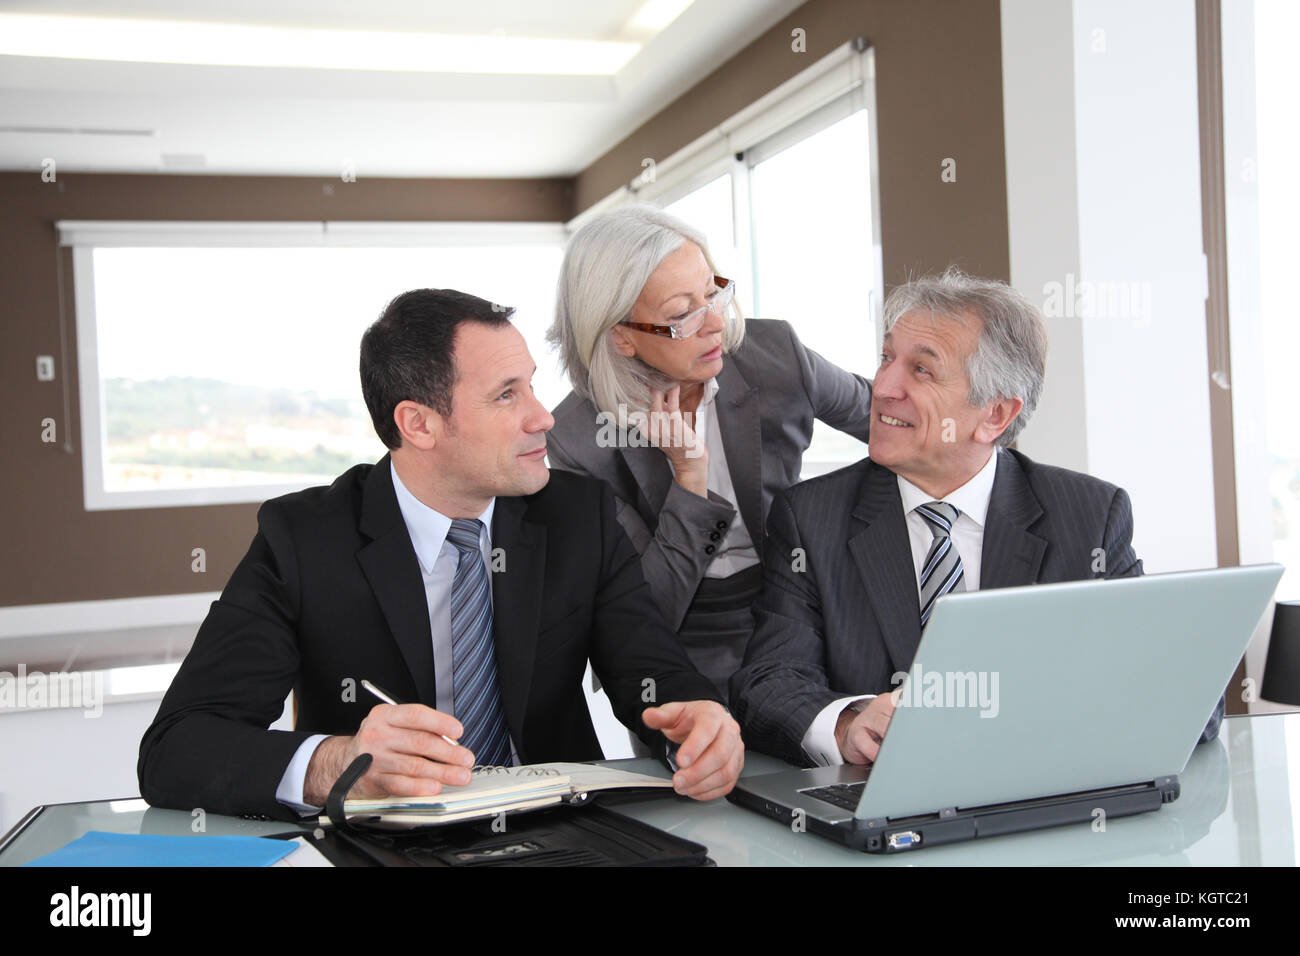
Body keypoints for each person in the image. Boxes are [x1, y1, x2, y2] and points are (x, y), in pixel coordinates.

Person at [138, 289, 743, 821]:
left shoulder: (579, 515)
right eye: (507, 396)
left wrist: (696, 720)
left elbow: (652, 674)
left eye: (532, 384)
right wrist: (338, 763)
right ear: (419, 425)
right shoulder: (302, 537)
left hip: (561, 834)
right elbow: (178, 747)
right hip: (383, 843)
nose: (544, 417)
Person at [729, 267, 1225, 766]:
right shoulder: (811, 517)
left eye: (921, 370)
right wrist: (848, 722)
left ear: (995, 416)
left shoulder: (1090, 516)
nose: (882, 387)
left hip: (1040, 807)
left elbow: (1188, 696)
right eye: (886, 359)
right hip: (878, 811)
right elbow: (768, 684)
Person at [545, 204, 872, 700]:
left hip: (797, 606)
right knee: (707, 772)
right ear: (622, 339)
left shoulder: (775, 354)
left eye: (713, 294)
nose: (715, 324)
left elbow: (889, 421)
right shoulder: (576, 439)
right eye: (681, 316)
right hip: (681, 642)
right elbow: (647, 607)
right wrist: (688, 476)